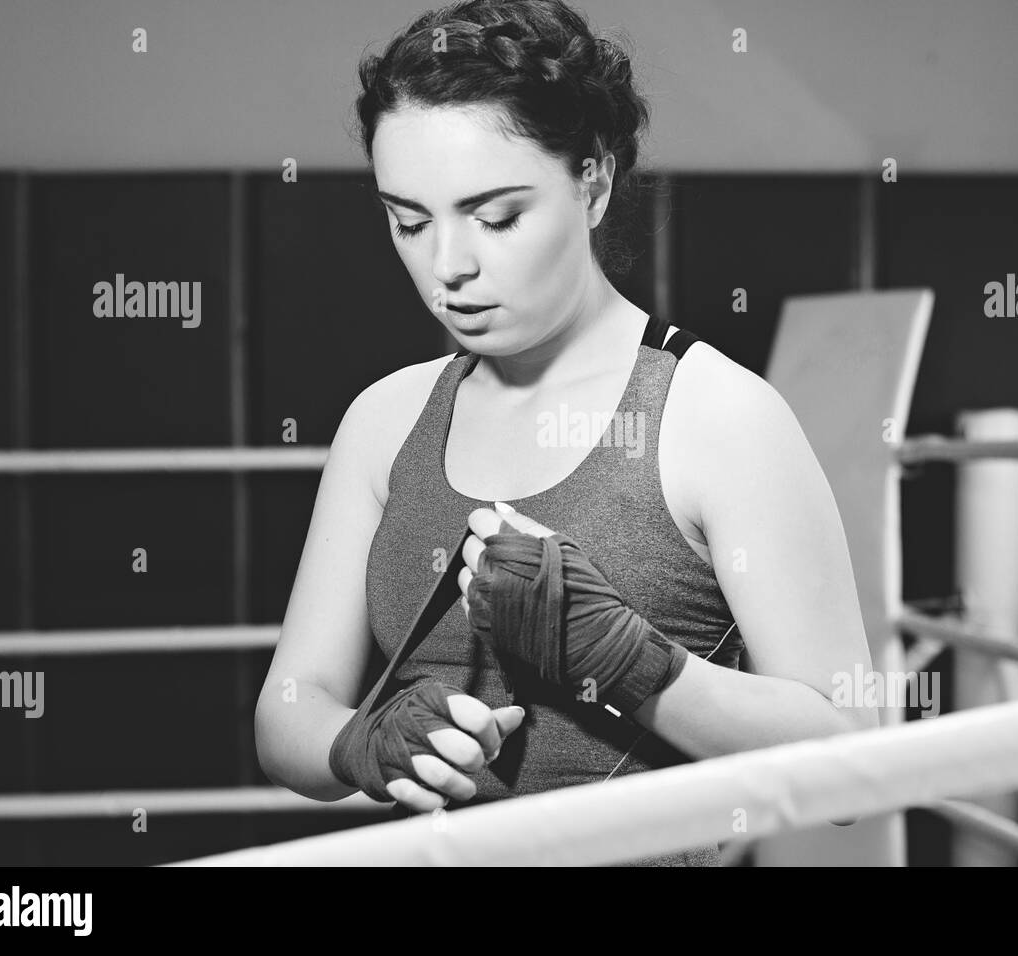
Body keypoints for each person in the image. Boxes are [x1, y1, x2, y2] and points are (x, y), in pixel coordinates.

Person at [255, 0, 877, 866]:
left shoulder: (717, 416)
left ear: (593, 179)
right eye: (408, 220)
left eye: (496, 216)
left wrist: (630, 661)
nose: (448, 266)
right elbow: (288, 708)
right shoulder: (385, 420)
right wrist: (361, 740)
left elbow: (855, 767)